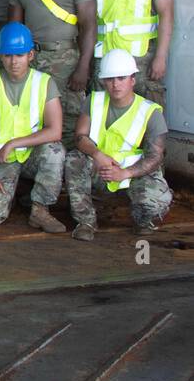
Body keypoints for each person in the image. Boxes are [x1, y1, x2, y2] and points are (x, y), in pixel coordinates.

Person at [7, 0, 96, 151]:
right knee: (32, 115)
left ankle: (68, 176)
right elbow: (15, 30)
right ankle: (44, 171)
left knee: (69, 118)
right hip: (32, 59)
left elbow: (89, 27)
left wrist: (83, 67)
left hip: (67, 58)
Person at [0, 23, 66, 232]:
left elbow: (55, 130)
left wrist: (14, 143)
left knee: (55, 151)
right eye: (8, 55)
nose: (13, 61)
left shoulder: (44, 83)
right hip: (1, 158)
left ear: (30, 55)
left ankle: (40, 210)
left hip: (30, 154)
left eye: (19, 55)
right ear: (0, 56)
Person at [66, 49, 172, 241]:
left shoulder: (150, 111)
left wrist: (125, 173)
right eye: (110, 79)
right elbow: (80, 136)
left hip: (133, 172)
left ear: (132, 79)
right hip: (102, 168)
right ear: (103, 81)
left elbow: (155, 156)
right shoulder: (94, 101)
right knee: (75, 159)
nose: (115, 84)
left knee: (156, 200)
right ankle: (86, 221)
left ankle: (142, 220)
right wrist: (98, 155)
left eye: (121, 78)